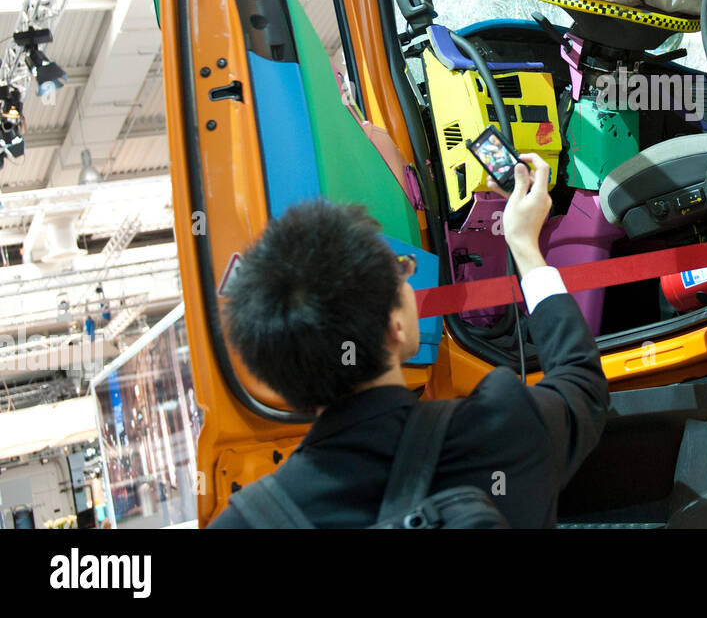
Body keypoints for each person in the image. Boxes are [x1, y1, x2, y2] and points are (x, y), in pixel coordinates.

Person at [207, 154, 607, 528]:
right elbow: (582, 382)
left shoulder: (249, 520)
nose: (407, 275)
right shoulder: (497, 424)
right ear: (393, 327)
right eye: (400, 269)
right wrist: (523, 244)